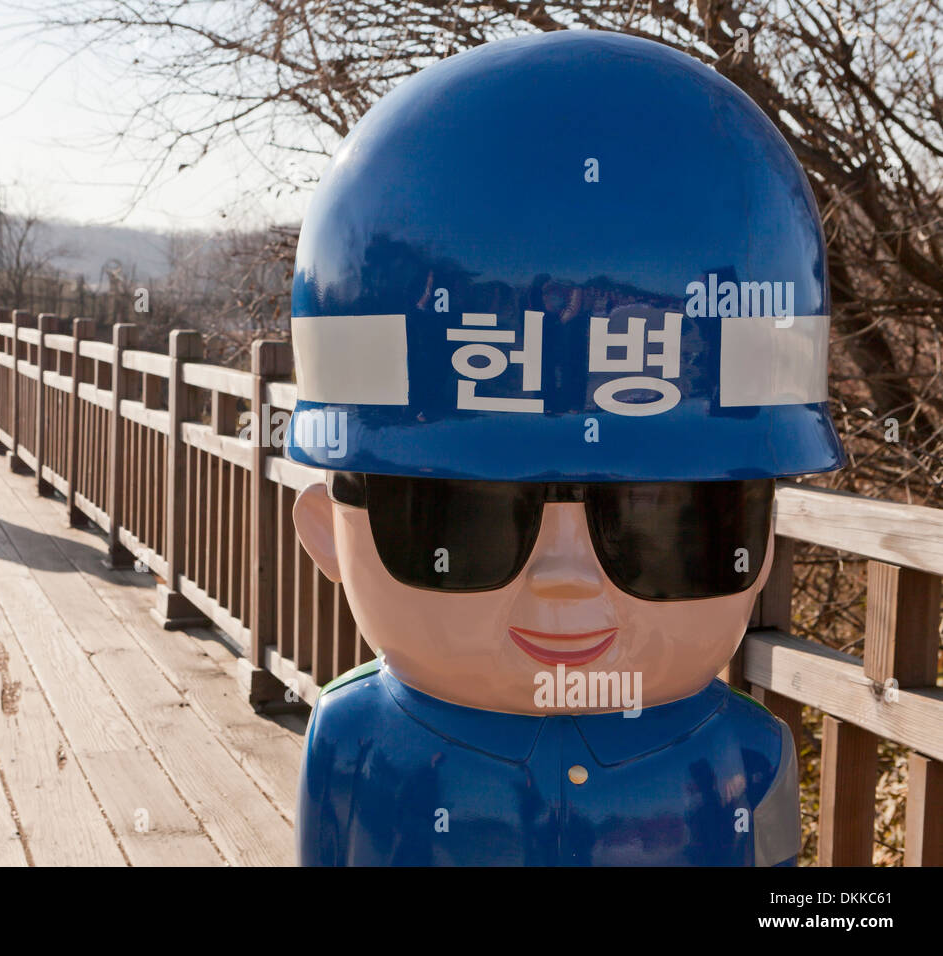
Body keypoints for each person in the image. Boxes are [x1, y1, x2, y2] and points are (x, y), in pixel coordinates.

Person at [286, 33, 844, 866]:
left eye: (669, 528)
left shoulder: (745, 757)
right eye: (461, 522)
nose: (565, 581)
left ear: (761, 542)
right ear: (330, 530)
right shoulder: (355, 740)